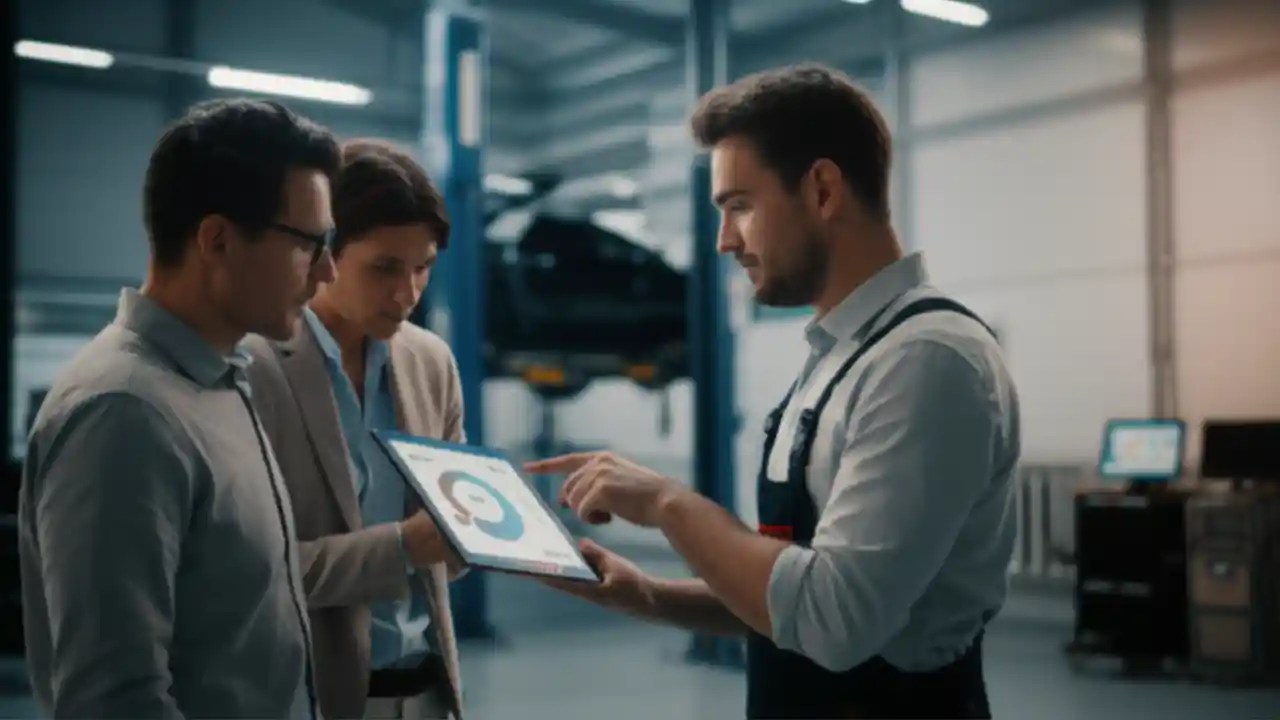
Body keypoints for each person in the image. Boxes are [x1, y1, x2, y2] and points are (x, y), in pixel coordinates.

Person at [528, 63, 1021, 719]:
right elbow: (797, 587)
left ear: (822, 190)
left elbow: (835, 619)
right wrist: (650, 595)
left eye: (740, 206)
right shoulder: (843, 353)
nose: (724, 241)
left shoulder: (924, 361)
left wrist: (669, 504)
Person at [17, 98, 341, 718]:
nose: (327, 272)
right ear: (216, 239)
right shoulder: (123, 414)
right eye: (310, 243)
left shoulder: (222, 381)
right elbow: (113, 700)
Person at [241, 138, 466, 720]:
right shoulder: (250, 367)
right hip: (302, 697)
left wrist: (492, 529)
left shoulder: (430, 361)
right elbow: (244, 573)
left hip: (423, 691)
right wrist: (401, 547)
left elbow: (452, 548)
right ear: (324, 253)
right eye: (385, 268)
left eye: (423, 268)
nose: (408, 293)